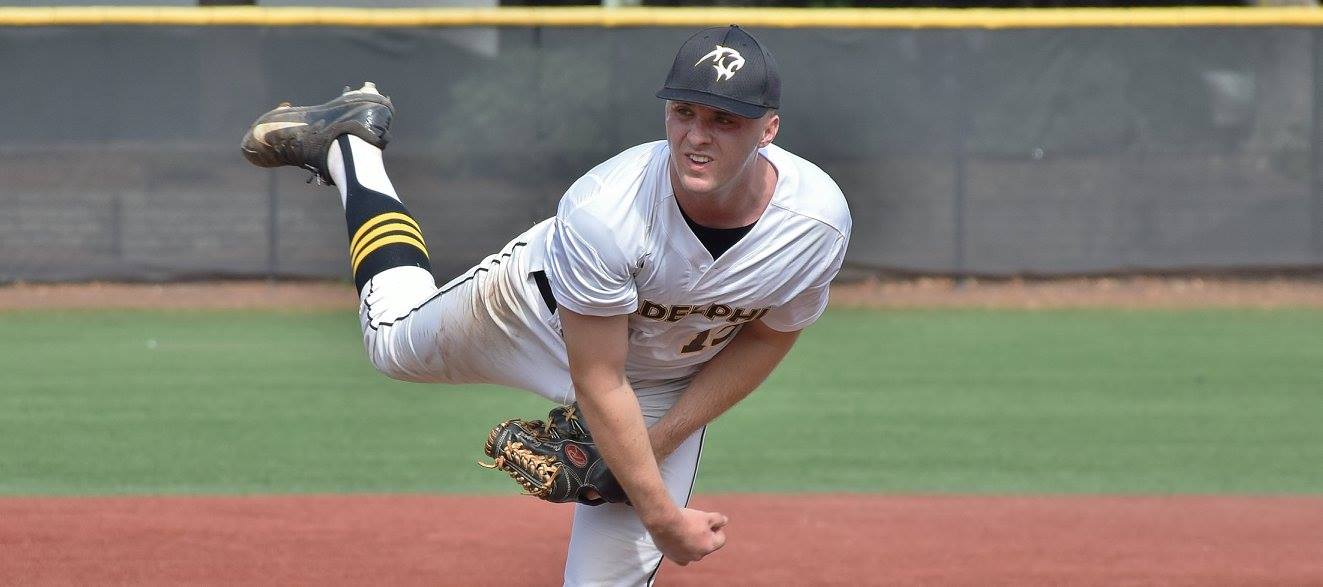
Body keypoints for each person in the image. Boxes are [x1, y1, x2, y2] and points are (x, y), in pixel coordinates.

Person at [241, 25, 850, 586]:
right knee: (392, 345)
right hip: (532, 316)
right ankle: (352, 149)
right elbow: (600, 378)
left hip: (664, 382)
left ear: (768, 130)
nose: (696, 135)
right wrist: (663, 517)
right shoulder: (608, 210)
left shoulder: (815, 224)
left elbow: (768, 337)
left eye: (724, 120)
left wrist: (654, 445)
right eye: (683, 111)